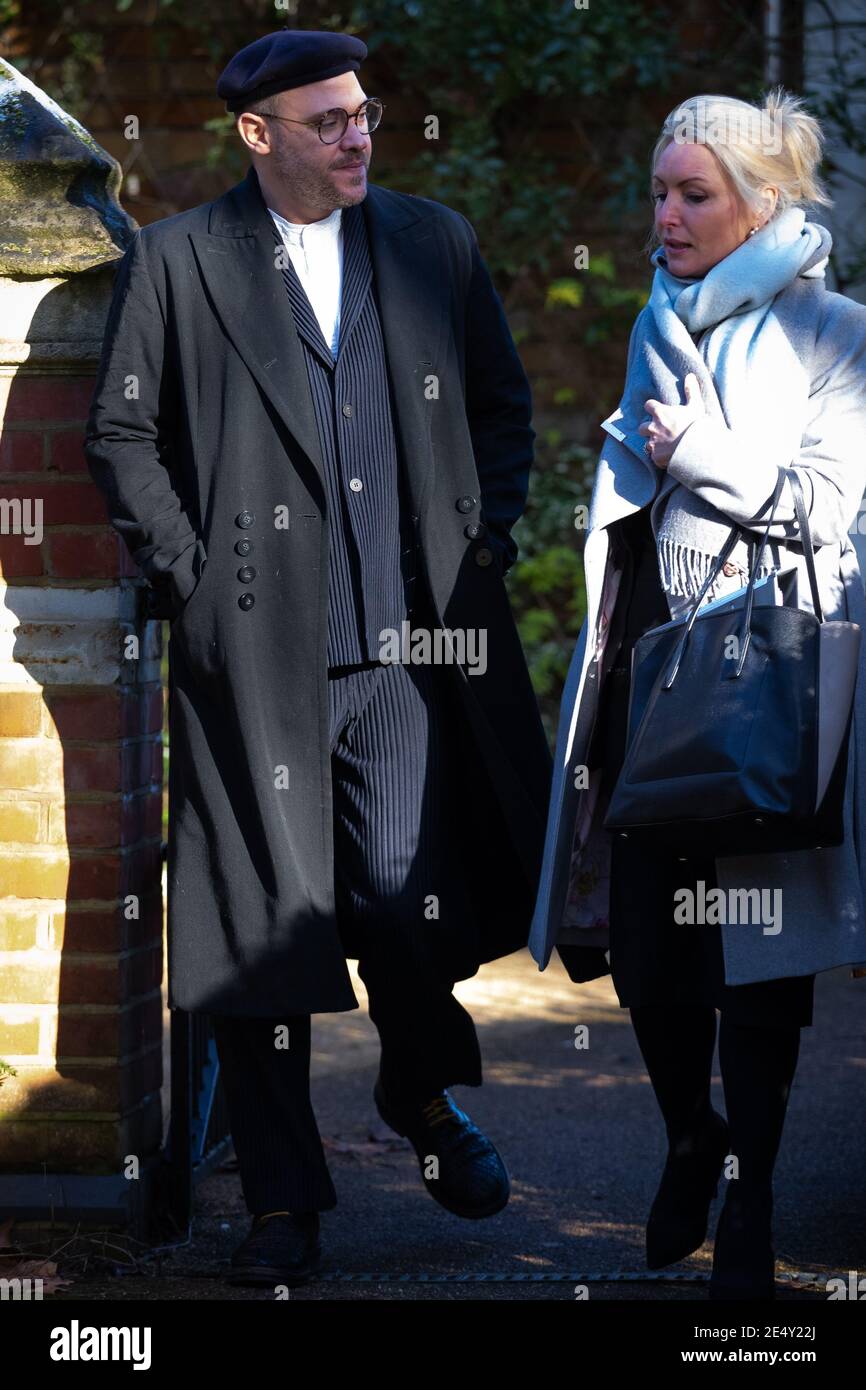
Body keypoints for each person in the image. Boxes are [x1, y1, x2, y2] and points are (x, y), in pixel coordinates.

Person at [84, 27, 552, 1287]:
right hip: (253, 655)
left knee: (404, 901)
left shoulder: (429, 243)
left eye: (363, 114)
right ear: (257, 133)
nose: (357, 134)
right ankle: (283, 1203)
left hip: (403, 651)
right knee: (262, 940)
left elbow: (500, 410)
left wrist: (480, 546)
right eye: (328, 119)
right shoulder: (185, 260)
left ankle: (420, 1097)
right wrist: (192, 578)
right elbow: (121, 431)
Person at [529, 88, 866, 1300]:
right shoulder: (651, 317)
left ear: (760, 205)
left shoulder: (836, 330)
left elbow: (826, 505)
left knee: (759, 954)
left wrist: (696, 459)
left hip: (765, 666)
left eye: (691, 195)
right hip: (647, 660)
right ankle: (690, 1133)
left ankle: (756, 1196)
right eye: (658, 192)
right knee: (646, 949)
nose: (661, 215)